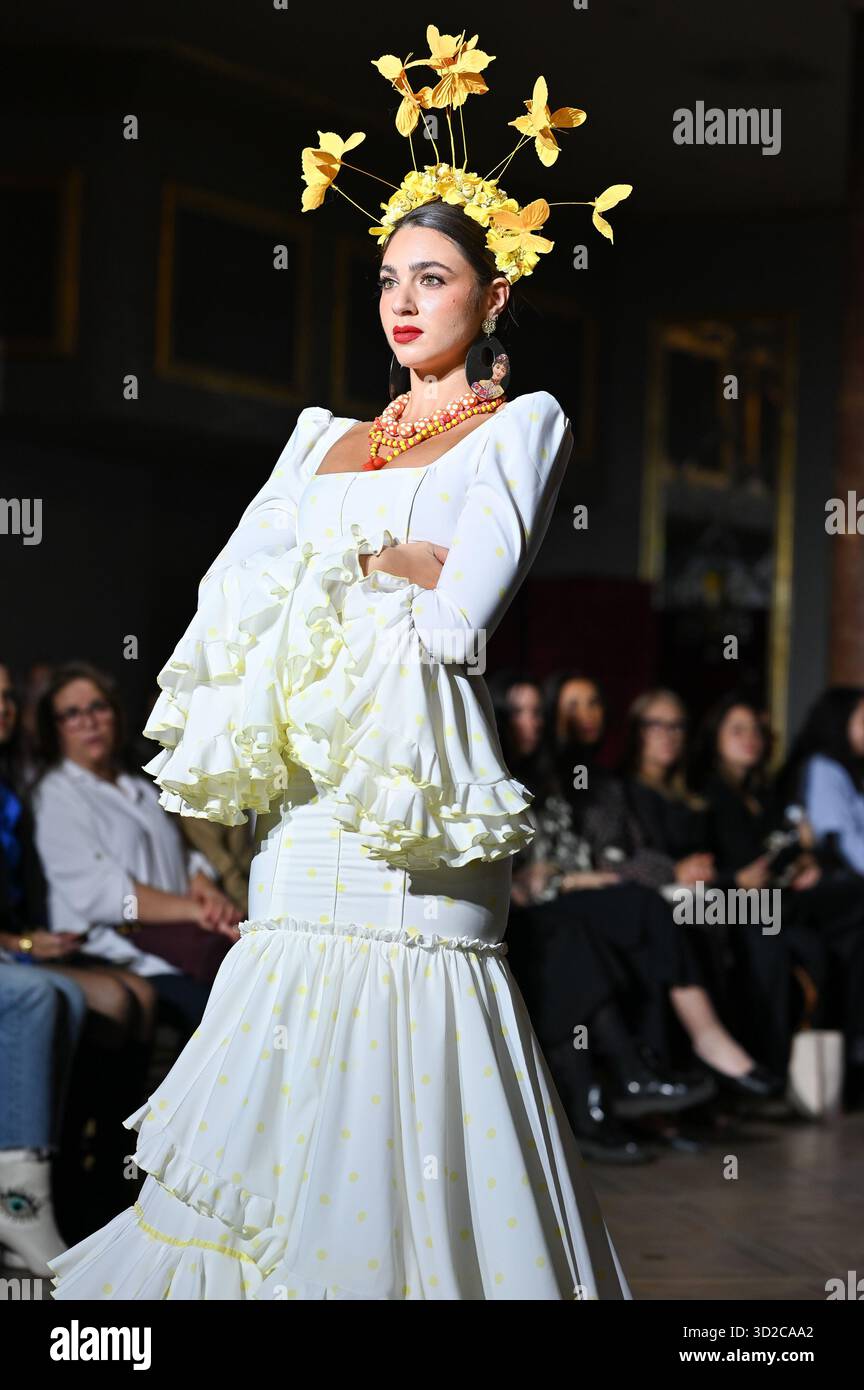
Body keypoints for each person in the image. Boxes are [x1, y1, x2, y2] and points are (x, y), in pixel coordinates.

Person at [48, 30, 634, 1300]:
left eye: (433, 275)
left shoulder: (520, 422)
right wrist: (391, 558)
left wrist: (391, 572)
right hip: (312, 813)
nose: (404, 299)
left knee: (416, 1092)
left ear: (495, 295)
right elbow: (227, 610)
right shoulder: (323, 436)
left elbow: (463, 607)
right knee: (278, 1106)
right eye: (387, 277)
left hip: (422, 812)